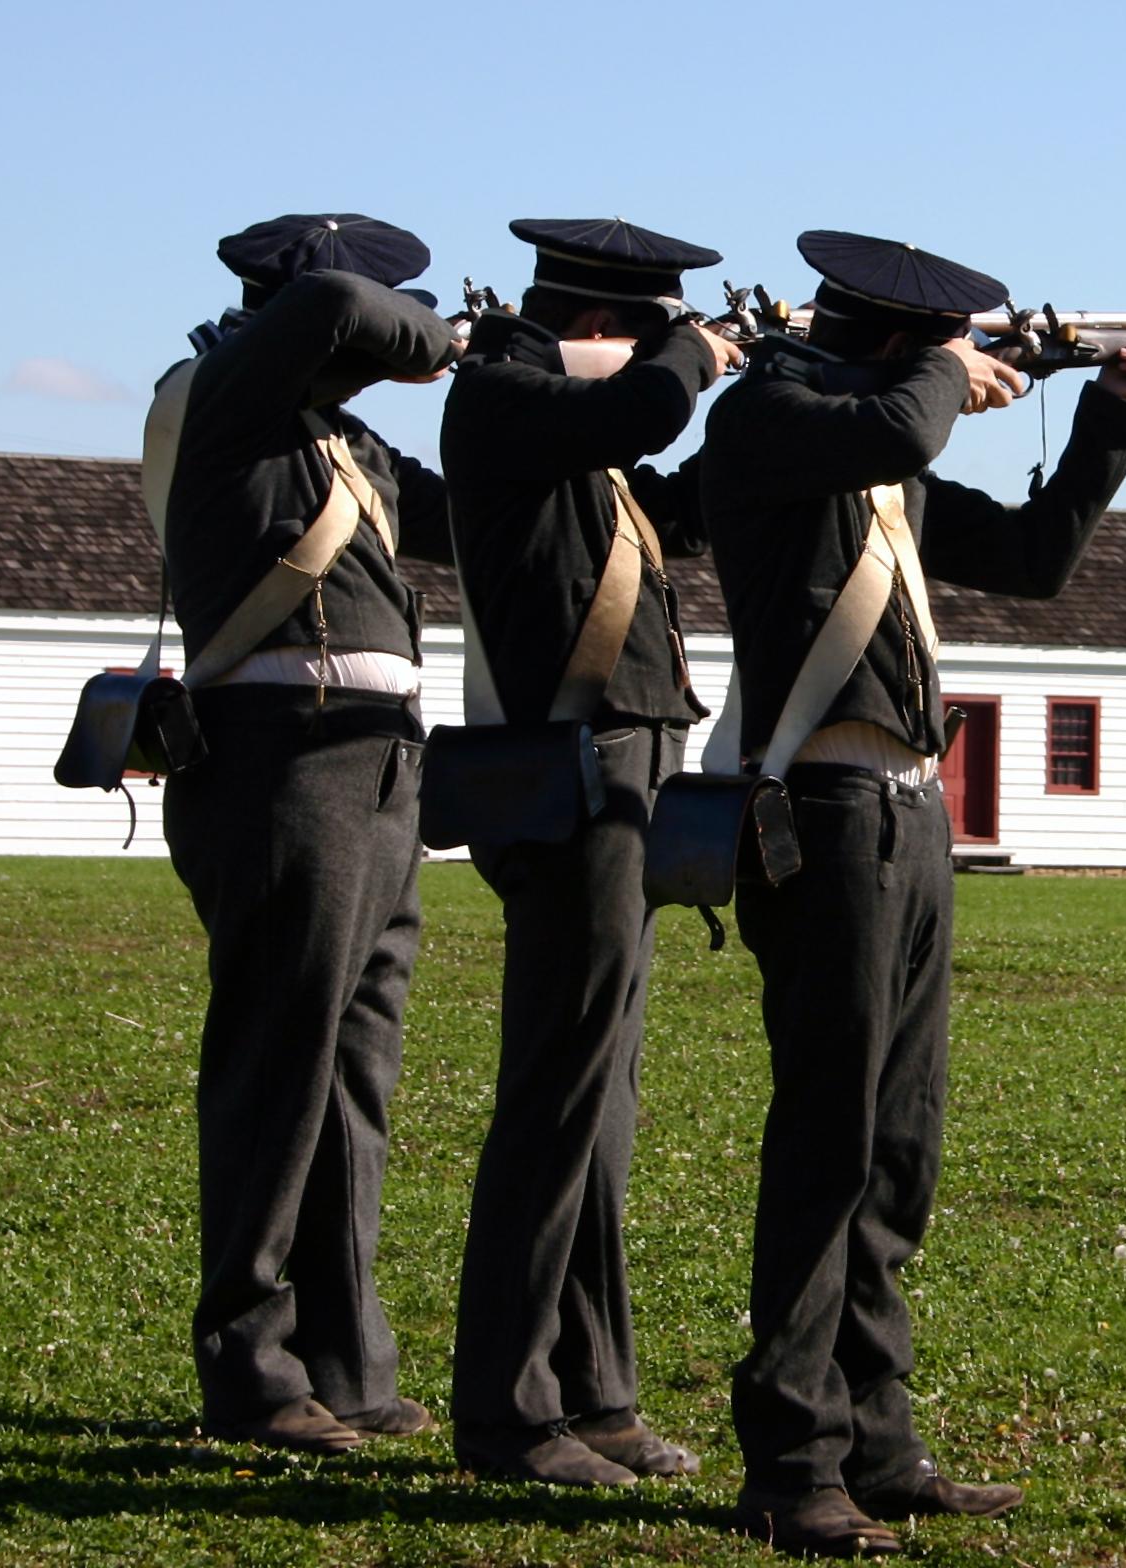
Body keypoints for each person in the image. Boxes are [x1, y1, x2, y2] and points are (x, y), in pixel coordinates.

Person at [699, 231, 1126, 1554]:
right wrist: (945, 374)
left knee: (897, 1148)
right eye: (932, 348)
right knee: (827, 1144)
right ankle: (793, 1457)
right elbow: (903, 432)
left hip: (907, 816)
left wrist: (1107, 415)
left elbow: (1032, 559)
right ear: (888, 345)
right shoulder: (769, 419)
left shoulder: (872, 459)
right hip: (823, 812)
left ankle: (878, 1440)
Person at [440, 217, 746, 1486]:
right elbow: (641, 416)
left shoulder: (576, 436)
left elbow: (676, 487)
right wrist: (692, 357)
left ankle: (593, 1387)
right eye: (650, 328)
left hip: (624, 765)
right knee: (558, 1100)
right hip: (570, 774)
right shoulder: (505, 396)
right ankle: (511, 1410)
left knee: (600, 1104)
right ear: (602, 327)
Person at [154, 212, 461, 1456]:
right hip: (283, 753)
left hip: (379, 762)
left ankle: (345, 1359)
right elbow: (337, 315)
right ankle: (250, 1361)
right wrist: (452, 337)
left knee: (355, 1078)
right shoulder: (224, 390)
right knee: (278, 1071)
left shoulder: (341, 436)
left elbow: (461, 514)